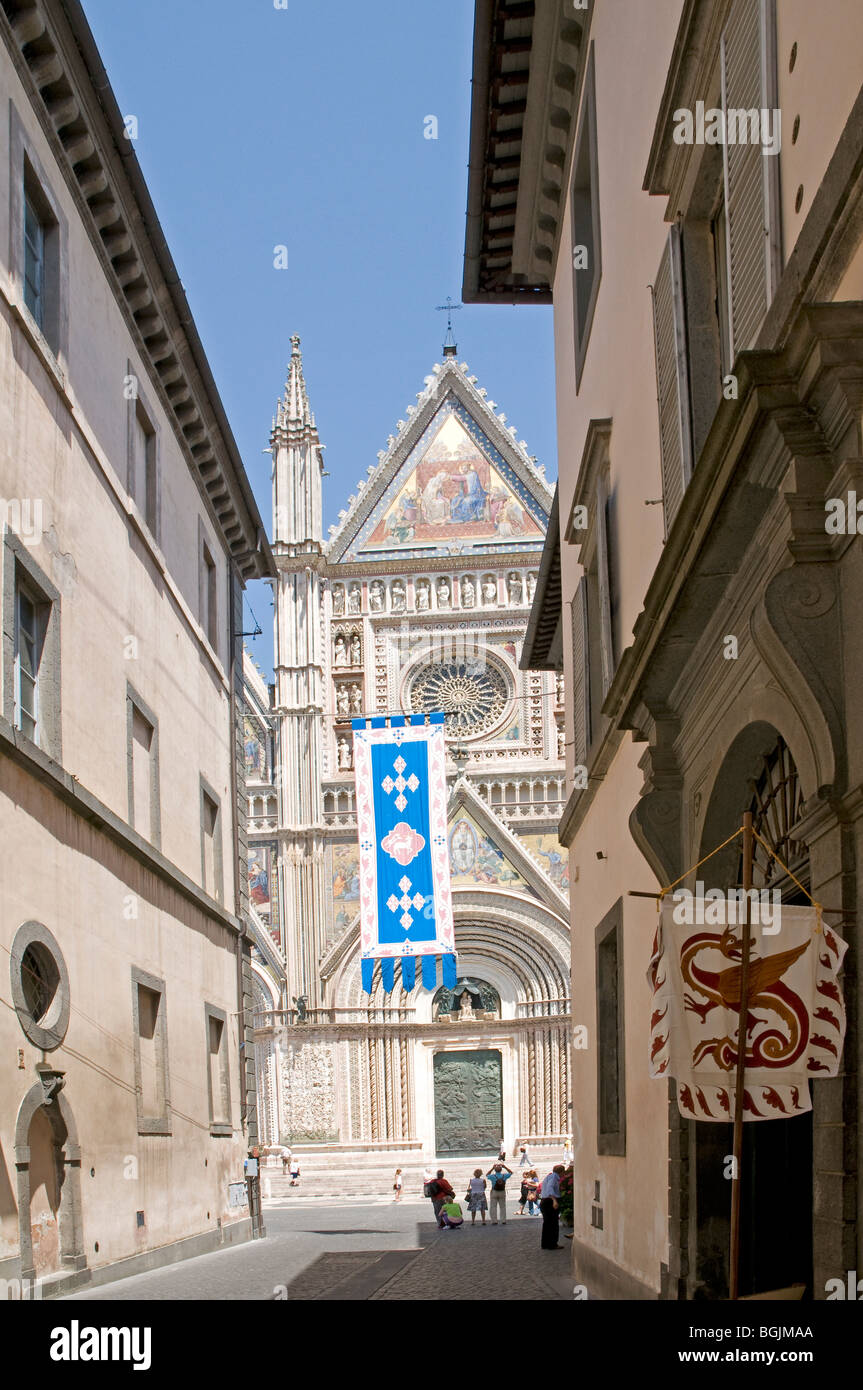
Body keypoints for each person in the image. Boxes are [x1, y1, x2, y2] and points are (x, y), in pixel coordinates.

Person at [539, 1165, 566, 1249]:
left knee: (547, 1224)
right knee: (553, 1223)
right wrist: (554, 1200)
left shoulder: (549, 1176)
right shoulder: (554, 1177)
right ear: (561, 1172)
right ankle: (552, 1244)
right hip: (549, 1202)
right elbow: (550, 1188)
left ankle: (545, 1244)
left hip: (544, 1201)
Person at [485, 1160, 513, 1225]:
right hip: (502, 1191)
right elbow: (511, 1173)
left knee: (493, 1206)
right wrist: (505, 1167)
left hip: (494, 1191)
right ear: (501, 1170)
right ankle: (503, 1220)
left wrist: (492, 1168)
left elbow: (487, 1175)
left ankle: (494, 1220)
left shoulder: (492, 1176)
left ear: (495, 1170)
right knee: (502, 1206)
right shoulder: (504, 1176)